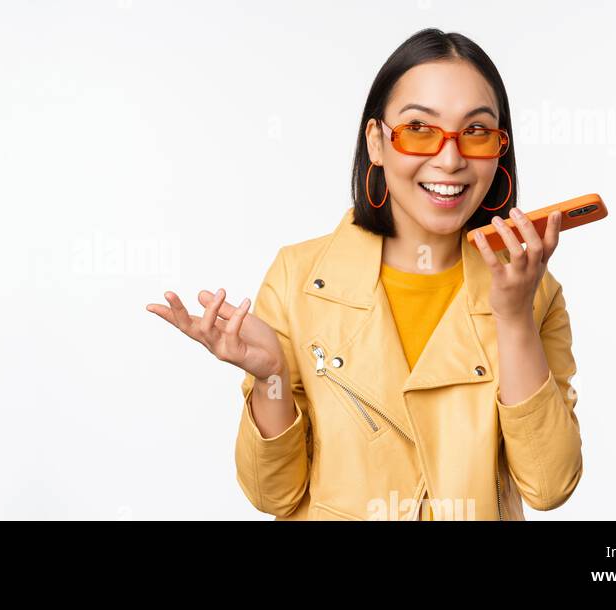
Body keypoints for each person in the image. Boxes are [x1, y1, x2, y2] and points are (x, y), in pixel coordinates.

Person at [146, 28, 582, 520]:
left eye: (477, 132)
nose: (451, 158)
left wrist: (514, 316)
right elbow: (274, 496)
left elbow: (548, 485)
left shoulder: (535, 293)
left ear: (499, 148)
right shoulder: (298, 278)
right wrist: (271, 377)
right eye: (420, 128)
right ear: (376, 141)